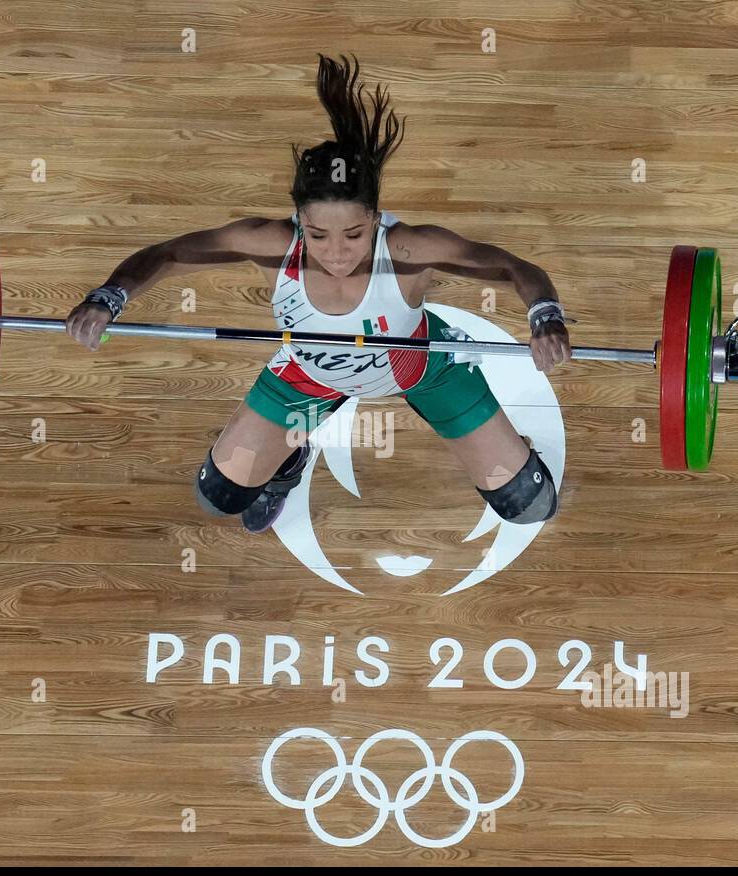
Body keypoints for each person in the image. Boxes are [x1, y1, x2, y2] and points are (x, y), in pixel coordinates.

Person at [65, 53, 570, 534]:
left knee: (529, 505)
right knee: (220, 495)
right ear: (298, 219)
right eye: (318, 234)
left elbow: (509, 267)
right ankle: (289, 458)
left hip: (424, 368)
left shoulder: (411, 249)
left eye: (353, 235)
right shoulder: (270, 244)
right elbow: (170, 253)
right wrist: (110, 295)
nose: (335, 252)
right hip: (309, 376)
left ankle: (516, 450)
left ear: (374, 217)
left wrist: (544, 315)